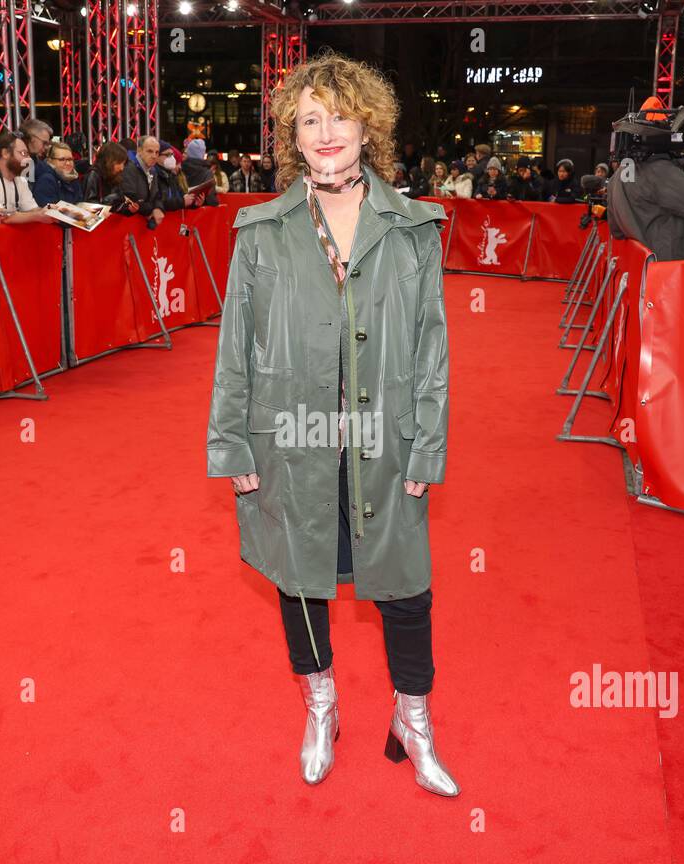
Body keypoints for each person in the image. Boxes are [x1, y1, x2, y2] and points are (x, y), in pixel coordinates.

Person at [206, 52, 459, 797]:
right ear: (292, 132)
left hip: (386, 438)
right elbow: (234, 346)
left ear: (367, 126)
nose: (325, 133)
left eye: (339, 117)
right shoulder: (261, 231)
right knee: (300, 576)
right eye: (309, 119)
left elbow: (434, 349)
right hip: (291, 437)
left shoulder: (414, 230)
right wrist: (233, 441)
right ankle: (321, 704)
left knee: (407, 589)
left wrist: (429, 443)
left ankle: (413, 717)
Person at [605, 147, 684, 261]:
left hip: (640, 267)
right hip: (670, 266)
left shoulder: (617, 177)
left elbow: (615, 230)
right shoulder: (658, 170)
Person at [0, 131, 50, 224]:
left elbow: (32, 209)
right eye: (24, 153)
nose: (29, 159)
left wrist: (49, 212)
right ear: (5, 153)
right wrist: (37, 215)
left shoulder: (20, 178)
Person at [120, 135, 166, 227]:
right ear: (139, 151)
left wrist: (158, 208)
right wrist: (152, 209)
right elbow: (131, 199)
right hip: (126, 226)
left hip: (142, 227)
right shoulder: (128, 168)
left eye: (157, 152)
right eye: (150, 151)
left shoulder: (153, 170)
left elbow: (157, 196)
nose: (154, 156)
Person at [84, 140, 136, 213]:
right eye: (119, 163)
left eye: (123, 164)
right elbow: (89, 205)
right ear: (109, 161)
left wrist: (128, 209)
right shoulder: (93, 174)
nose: (122, 168)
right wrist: (117, 197)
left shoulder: (114, 176)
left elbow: (116, 206)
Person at [36, 140, 84, 205]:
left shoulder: (74, 179)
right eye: (62, 159)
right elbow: (47, 211)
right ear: (50, 161)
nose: (68, 163)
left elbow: (79, 203)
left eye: (70, 159)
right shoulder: (46, 180)